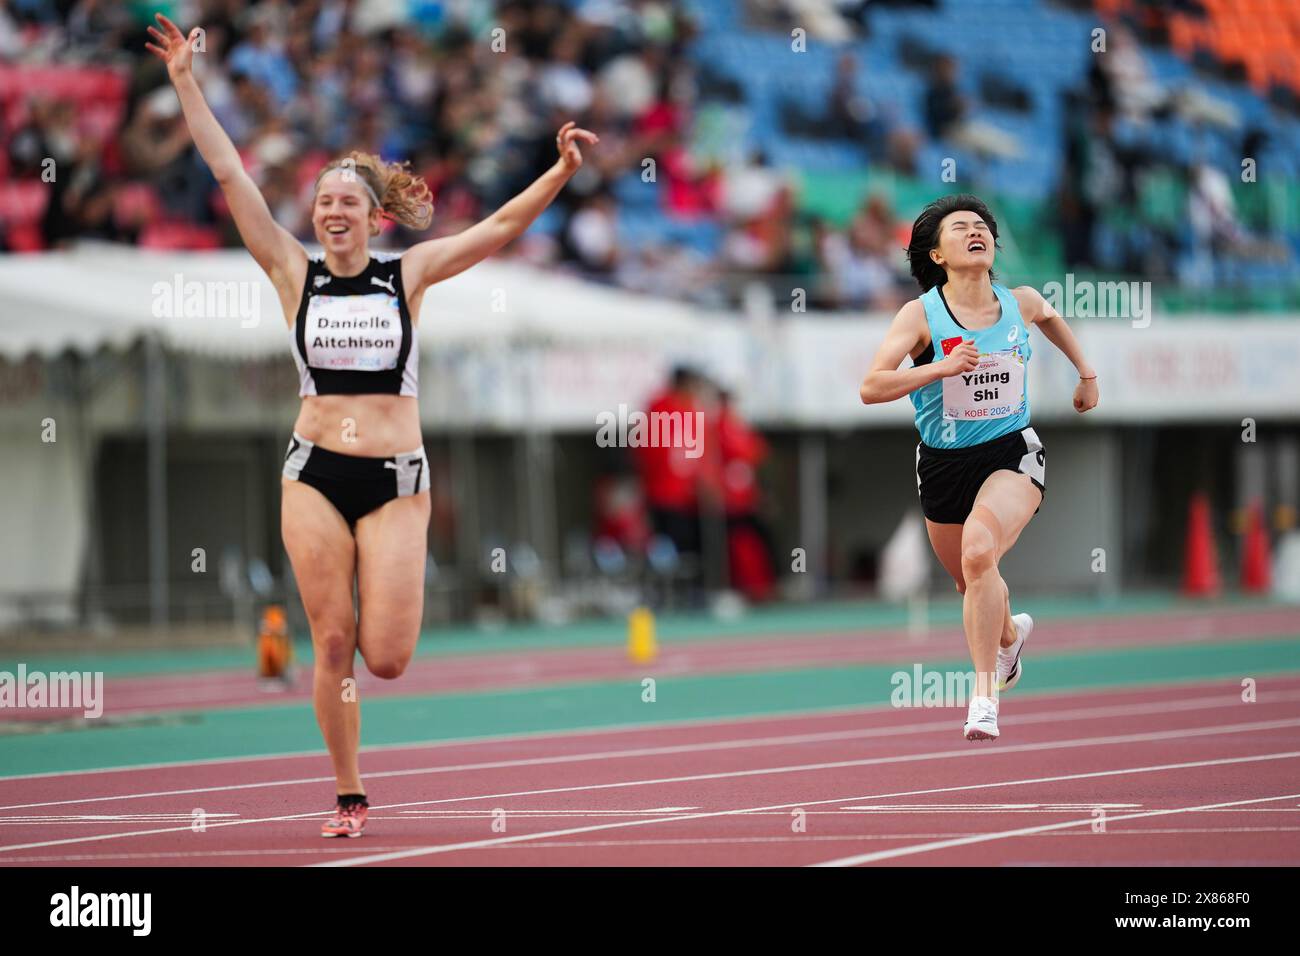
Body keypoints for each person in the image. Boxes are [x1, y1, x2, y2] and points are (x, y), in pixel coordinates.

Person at [146, 13, 598, 835]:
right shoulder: (292, 271)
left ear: (373, 217)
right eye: (324, 201)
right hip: (314, 473)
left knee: (385, 656)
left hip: (394, 482)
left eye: (347, 201)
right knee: (332, 641)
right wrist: (185, 81)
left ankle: (362, 748)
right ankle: (349, 793)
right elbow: (228, 172)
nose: (333, 211)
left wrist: (559, 171)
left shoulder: (408, 274)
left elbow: (498, 229)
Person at [858, 194, 1098, 740]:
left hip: (1011, 452)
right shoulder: (920, 315)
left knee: (978, 551)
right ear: (937, 255)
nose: (975, 231)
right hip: (942, 465)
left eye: (981, 226)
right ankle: (1010, 638)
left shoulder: (1021, 302)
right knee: (972, 580)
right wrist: (940, 368)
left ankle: (984, 698)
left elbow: (1051, 317)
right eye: (959, 227)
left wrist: (1087, 375)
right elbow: (872, 387)